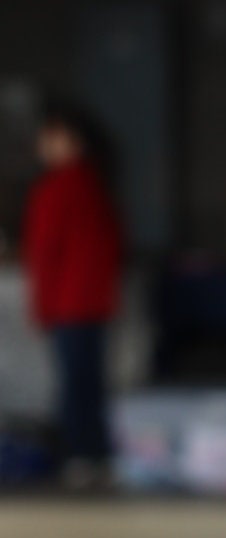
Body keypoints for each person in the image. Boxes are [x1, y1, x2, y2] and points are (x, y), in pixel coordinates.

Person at [22, 102, 122, 489]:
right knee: (90, 384)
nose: (43, 145)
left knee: (75, 386)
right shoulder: (96, 184)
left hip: (68, 303)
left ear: (71, 141)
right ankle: (95, 454)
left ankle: (81, 456)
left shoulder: (55, 188)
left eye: (51, 137)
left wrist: (42, 308)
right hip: (94, 303)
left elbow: (44, 253)